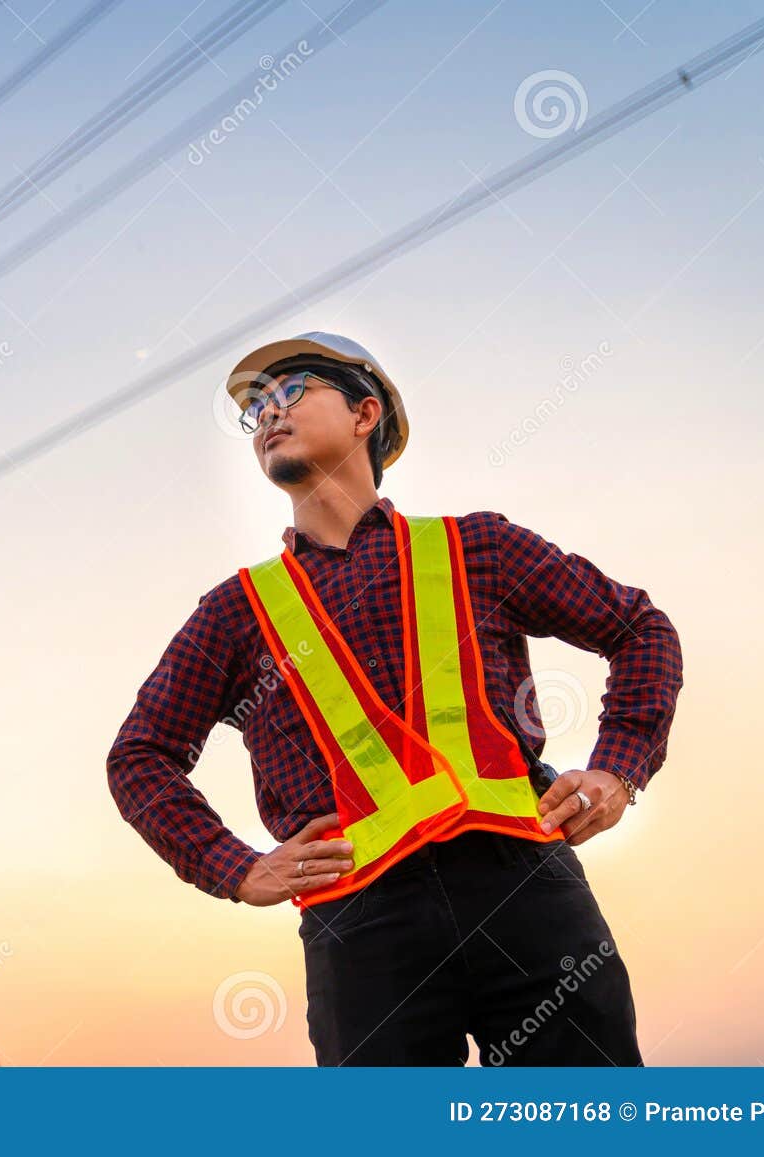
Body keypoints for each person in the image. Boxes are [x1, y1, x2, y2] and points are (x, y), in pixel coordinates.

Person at [105, 332, 682, 1066]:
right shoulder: (235, 614)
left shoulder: (480, 548)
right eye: (256, 408)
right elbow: (139, 756)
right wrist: (235, 866)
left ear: (364, 413)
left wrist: (617, 770)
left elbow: (640, 629)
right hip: (361, 931)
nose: (267, 413)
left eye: (291, 390)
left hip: (525, 890)